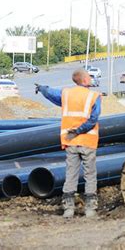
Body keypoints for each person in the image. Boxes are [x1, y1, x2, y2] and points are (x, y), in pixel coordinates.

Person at [36, 68, 101, 218]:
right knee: (90, 174)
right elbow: (93, 119)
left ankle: (68, 209)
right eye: (89, 77)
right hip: (87, 141)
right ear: (84, 80)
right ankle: (90, 209)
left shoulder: (66, 94)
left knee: (71, 174)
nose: (90, 79)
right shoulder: (94, 96)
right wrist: (80, 130)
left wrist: (41, 88)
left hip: (71, 142)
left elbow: (51, 93)